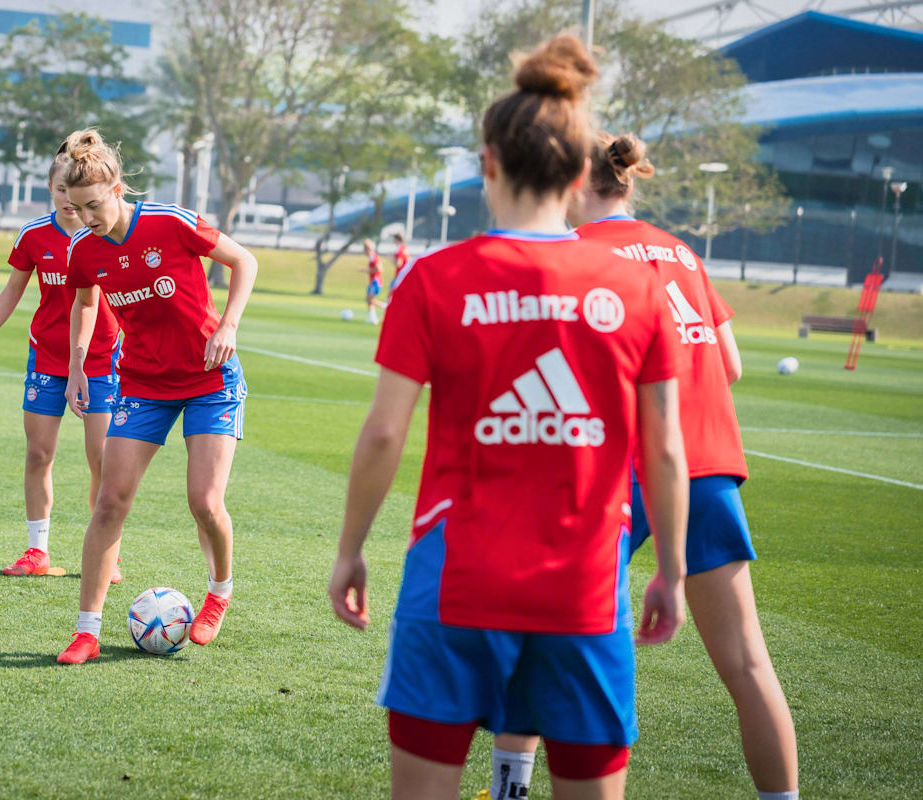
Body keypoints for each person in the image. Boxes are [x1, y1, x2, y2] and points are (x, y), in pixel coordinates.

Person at [328, 35, 690, 799]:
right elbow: (664, 451)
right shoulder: (636, 289)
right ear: (579, 171)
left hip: (452, 585)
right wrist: (674, 571)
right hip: (586, 593)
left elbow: (386, 432)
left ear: (487, 162)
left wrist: (351, 549)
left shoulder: (435, 280)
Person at [487, 133, 798, 800]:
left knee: (538, 644)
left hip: (613, 474)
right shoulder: (681, 251)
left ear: (574, 184)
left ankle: (509, 791)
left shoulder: (576, 256)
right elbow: (731, 365)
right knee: (748, 662)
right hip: (708, 467)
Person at [53, 128, 259, 666]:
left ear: (117, 188)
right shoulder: (84, 249)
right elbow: (85, 302)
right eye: (77, 209)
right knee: (110, 501)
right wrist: (78, 362)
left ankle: (219, 592)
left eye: (94, 205)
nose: (88, 217)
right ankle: (87, 630)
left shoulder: (171, 223)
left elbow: (245, 261)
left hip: (210, 378)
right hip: (142, 383)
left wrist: (228, 325)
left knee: (204, 503)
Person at [0, 145, 123, 581]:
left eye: (73, 193)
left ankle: (108, 551)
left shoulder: (105, 234)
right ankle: (37, 551)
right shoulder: (34, 235)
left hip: (101, 358)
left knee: (102, 460)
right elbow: (13, 289)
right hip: (47, 357)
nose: (68, 201)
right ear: (53, 189)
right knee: (38, 453)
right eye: (59, 190)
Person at [360, 240, 386, 324]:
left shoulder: (373, 257)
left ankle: (387, 306)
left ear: (367, 249)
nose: (363, 252)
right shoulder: (373, 256)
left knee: (370, 300)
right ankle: (373, 318)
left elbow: (379, 268)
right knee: (368, 300)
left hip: (375, 282)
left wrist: (367, 270)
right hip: (373, 281)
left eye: (364, 250)